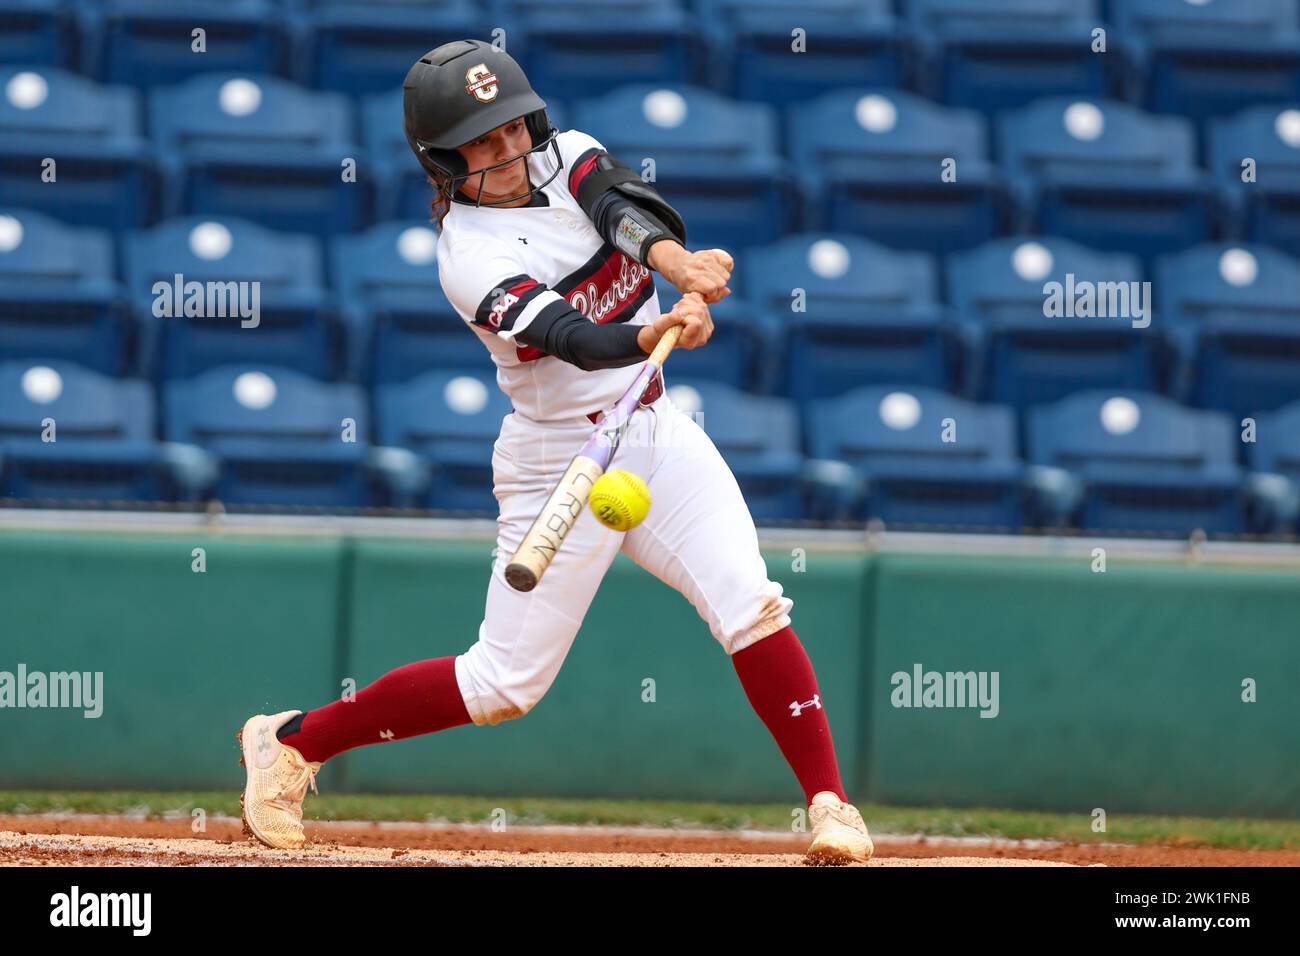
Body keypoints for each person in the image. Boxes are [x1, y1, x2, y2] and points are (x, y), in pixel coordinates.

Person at [237, 39, 872, 865]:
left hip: (650, 429)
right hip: (555, 459)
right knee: (502, 686)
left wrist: (676, 266)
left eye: (510, 129)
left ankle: (831, 807)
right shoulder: (468, 257)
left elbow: (621, 212)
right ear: (443, 161)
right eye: (481, 141)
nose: (506, 153)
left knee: (749, 603)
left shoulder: (567, 154)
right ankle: (292, 742)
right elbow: (566, 336)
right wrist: (653, 329)